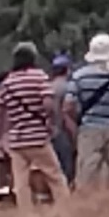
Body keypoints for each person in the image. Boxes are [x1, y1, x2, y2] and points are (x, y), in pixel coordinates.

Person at [0, 42, 70, 206]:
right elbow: (48, 104)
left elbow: (1, 109)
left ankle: (26, 213)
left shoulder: (8, 82)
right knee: (55, 176)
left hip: (16, 139)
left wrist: (2, 136)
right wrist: (49, 122)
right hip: (37, 137)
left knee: (21, 181)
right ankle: (65, 208)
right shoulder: (39, 77)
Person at [63, 33, 109, 188]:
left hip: (89, 129)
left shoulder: (78, 77)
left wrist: (75, 130)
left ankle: (86, 206)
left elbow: (68, 107)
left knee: (86, 176)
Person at [48, 52, 76, 187]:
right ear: (67, 69)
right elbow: (69, 111)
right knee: (67, 165)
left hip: (49, 131)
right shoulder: (68, 87)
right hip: (64, 130)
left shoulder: (48, 86)